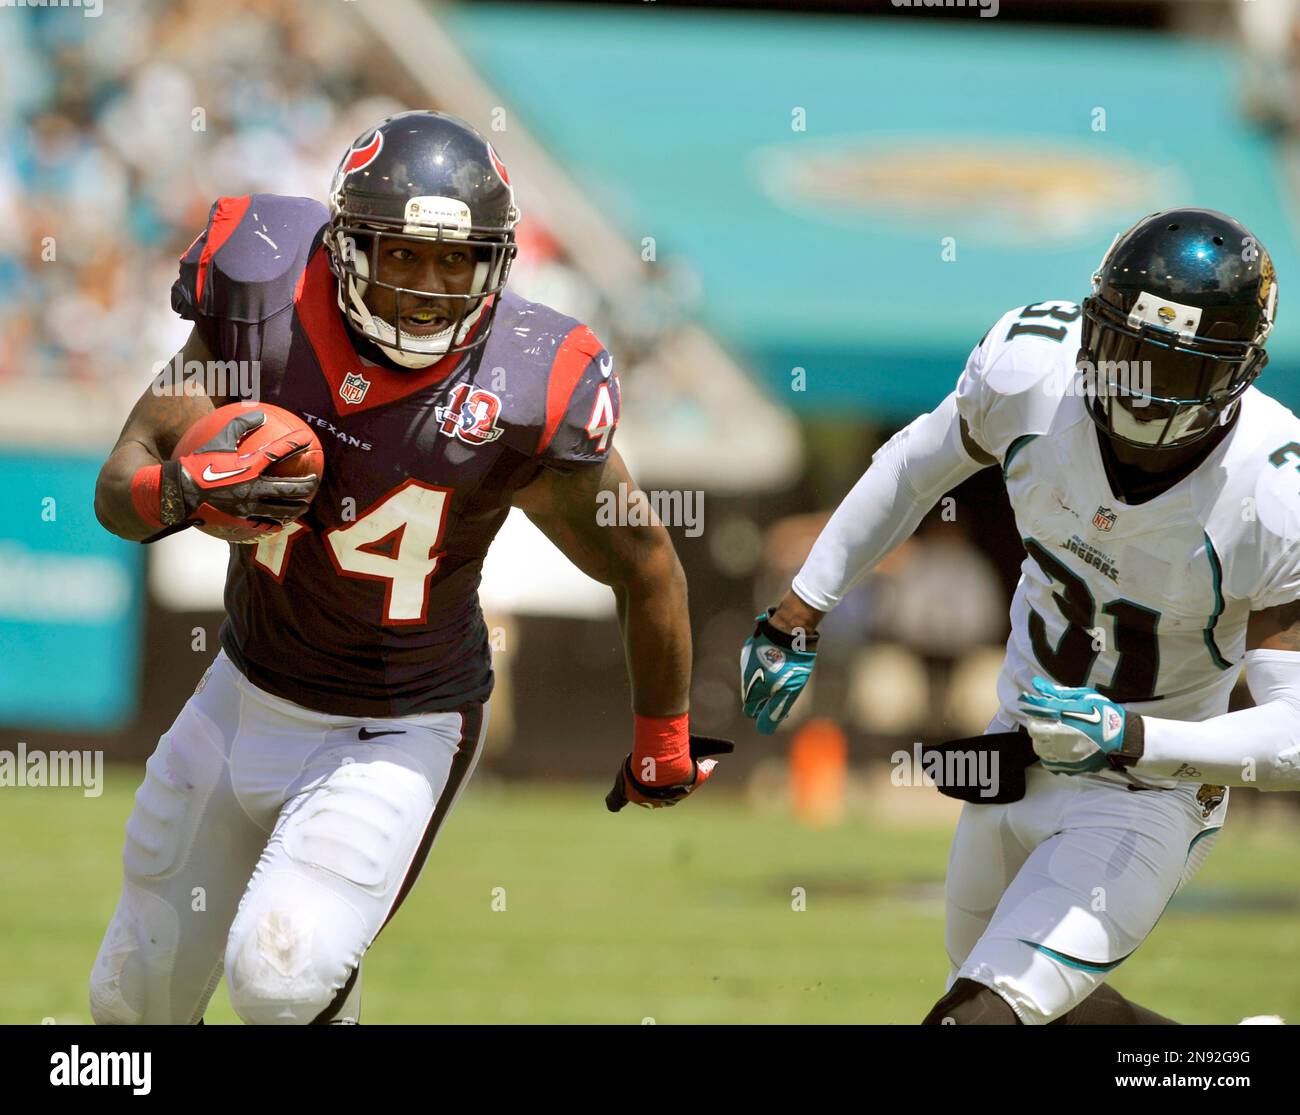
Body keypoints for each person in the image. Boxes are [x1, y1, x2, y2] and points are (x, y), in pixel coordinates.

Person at [89, 110, 729, 1025]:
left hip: (396, 725)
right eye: (401, 255)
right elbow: (118, 488)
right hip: (242, 690)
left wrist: (663, 745)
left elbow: (645, 564)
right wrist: (185, 490)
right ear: (347, 244)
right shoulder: (263, 300)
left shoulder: (525, 385)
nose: (430, 287)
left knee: (280, 974)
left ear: (497, 264)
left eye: (455, 261)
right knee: (130, 1002)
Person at [741, 208, 1289, 1024]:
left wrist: (1133, 736)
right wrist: (799, 609)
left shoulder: (1272, 487)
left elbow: (1294, 731)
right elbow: (912, 467)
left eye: (1170, 371)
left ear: (1233, 375)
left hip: (1145, 790)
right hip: (1012, 749)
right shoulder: (1032, 369)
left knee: (979, 1018)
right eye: (1124, 351)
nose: (1135, 386)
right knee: (1033, 1009)